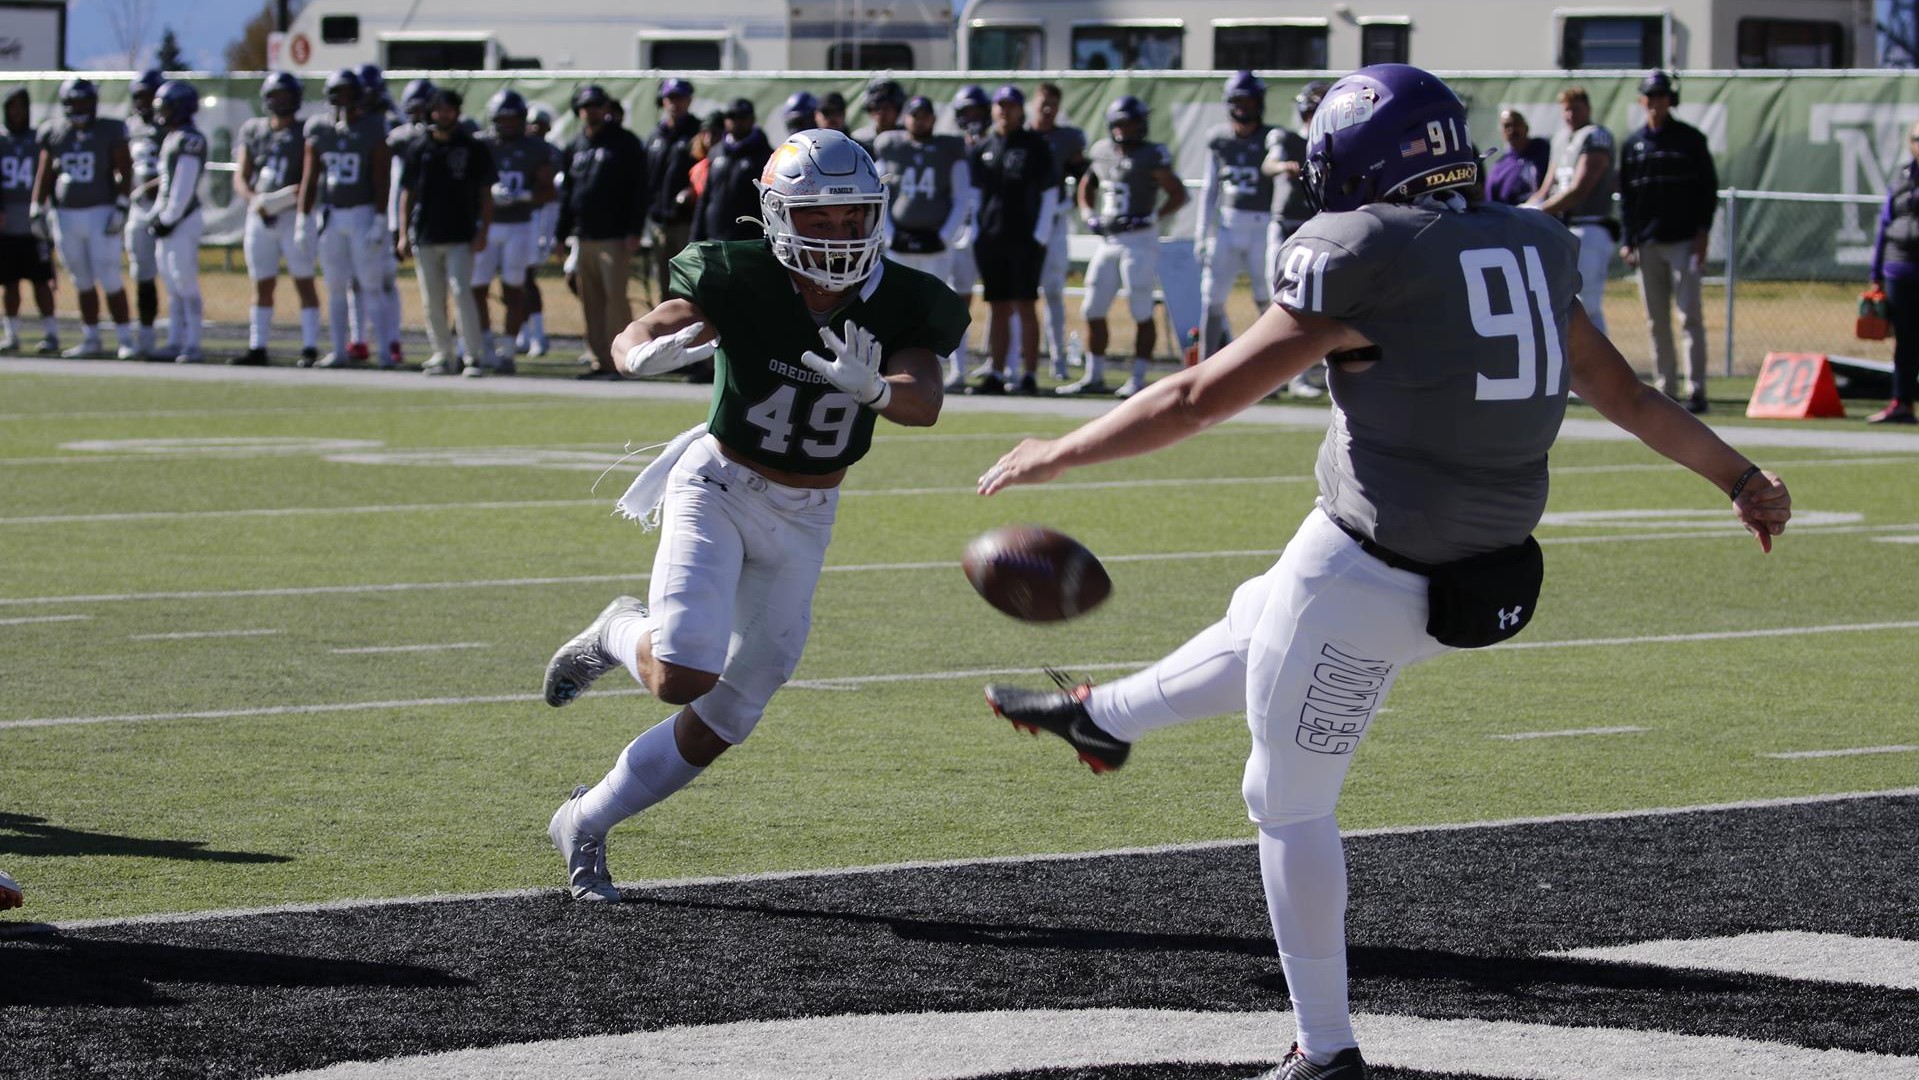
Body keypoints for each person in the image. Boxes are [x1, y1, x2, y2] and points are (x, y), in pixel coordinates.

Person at [975, 64, 1791, 1080]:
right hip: (1476, 565)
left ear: (1362, 157)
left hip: (1368, 571)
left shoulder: (1362, 253)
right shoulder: (1532, 241)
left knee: (1284, 800)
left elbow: (1194, 398)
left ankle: (1323, 1046)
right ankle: (1106, 721)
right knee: (1256, 618)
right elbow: (1619, 393)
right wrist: (1737, 475)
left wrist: (1061, 449)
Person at [538, 128, 967, 903]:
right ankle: (615, 631)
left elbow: (924, 401)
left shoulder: (908, 297)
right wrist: (634, 351)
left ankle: (585, 821)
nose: (837, 234)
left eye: (851, 216)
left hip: (808, 514)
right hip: (720, 487)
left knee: (731, 713)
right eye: (817, 218)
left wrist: (875, 392)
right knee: (681, 676)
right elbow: (650, 323)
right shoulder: (737, 272)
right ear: (775, 218)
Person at [1063, 95, 1187, 398]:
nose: (1125, 129)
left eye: (1131, 123)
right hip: (1109, 239)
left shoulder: (1152, 154)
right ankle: (1094, 375)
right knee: (1092, 307)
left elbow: (1178, 194)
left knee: (1140, 306)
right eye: (1120, 123)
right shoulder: (1102, 151)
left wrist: (1152, 217)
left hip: (1139, 241)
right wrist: (1088, 214)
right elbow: (1086, 185)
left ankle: (1138, 377)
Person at [1619, 71, 1718, 414]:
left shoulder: (1690, 140)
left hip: (1683, 242)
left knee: (1689, 315)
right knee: (1655, 320)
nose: (1656, 101)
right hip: (1647, 243)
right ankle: (1666, 387)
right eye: (1650, 95)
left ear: (1670, 99)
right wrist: (1627, 240)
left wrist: (1702, 235)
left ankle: (1697, 388)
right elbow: (1628, 199)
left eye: (1661, 94)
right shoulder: (1632, 145)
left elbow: (1708, 192)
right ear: (1642, 99)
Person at [31, 77, 134, 359]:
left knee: (110, 274)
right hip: (65, 215)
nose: (79, 107)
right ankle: (91, 338)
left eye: (84, 101)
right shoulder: (54, 133)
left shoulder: (109, 130)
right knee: (81, 279)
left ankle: (125, 338)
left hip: (100, 212)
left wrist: (122, 205)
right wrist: (36, 207)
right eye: (73, 102)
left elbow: (125, 169)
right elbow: (45, 172)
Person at [875, 94, 971, 389]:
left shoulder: (948, 149)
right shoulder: (891, 146)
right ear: (906, 118)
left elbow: (962, 196)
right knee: (896, 305)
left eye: (925, 115)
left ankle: (956, 367)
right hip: (901, 239)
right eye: (914, 115)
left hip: (935, 240)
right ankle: (892, 364)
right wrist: (889, 234)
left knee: (940, 304)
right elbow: (878, 194)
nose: (920, 120)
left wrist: (943, 235)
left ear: (932, 118)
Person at [298, 68, 392, 369]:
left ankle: (385, 352)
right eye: (338, 93)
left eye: (349, 93)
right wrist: (303, 218)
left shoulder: (374, 127)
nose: (343, 99)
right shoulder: (319, 128)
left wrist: (380, 218)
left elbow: (381, 178)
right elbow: (310, 177)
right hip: (332, 216)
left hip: (363, 212)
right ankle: (339, 350)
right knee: (335, 285)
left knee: (371, 285)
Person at [967, 85, 1057, 396]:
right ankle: (996, 370)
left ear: (1020, 109)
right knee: (998, 306)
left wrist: (1040, 235)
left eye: (1010, 105)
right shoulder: (984, 147)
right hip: (992, 237)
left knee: (1025, 304)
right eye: (1000, 105)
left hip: (1024, 238)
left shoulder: (1035, 145)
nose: (1004, 110)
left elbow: (1049, 192)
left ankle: (1029, 373)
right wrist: (976, 231)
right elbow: (976, 194)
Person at [398, 88, 494, 377]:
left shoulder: (472, 147)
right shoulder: (419, 148)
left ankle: (473, 355)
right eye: (438, 109)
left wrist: (483, 231)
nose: (443, 114)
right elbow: (407, 194)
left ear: (457, 111)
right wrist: (403, 233)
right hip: (426, 233)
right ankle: (442, 353)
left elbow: (485, 194)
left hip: (461, 234)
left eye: (449, 108)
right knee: (431, 298)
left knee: (462, 292)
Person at [556, 82, 649, 379]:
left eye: (597, 105)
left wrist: (634, 229)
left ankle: (624, 362)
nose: (591, 111)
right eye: (586, 107)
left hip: (615, 236)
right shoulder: (575, 147)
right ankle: (598, 359)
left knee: (615, 300)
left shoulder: (624, 142)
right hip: (584, 236)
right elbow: (568, 195)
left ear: (606, 109)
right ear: (578, 111)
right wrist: (560, 235)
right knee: (591, 301)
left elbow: (638, 190)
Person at [232, 71, 322, 366]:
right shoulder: (253, 130)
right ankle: (258, 346)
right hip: (260, 216)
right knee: (261, 283)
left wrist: (282, 199)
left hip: (291, 215)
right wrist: (255, 200)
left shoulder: (305, 131)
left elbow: (309, 179)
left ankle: (309, 347)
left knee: (303, 280)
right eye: (275, 96)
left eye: (285, 96)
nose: (280, 102)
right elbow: (241, 177)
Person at [471, 88, 553, 375]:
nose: (507, 124)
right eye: (502, 118)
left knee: (514, 287)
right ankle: (483, 344)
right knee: (476, 287)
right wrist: (486, 192)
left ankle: (507, 349)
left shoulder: (535, 148)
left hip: (519, 224)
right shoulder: (480, 145)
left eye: (512, 118)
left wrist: (524, 196)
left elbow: (548, 191)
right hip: (487, 225)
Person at [1196, 71, 1276, 359]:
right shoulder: (1218, 138)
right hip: (1228, 225)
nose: (1243, 107)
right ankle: (1203, 366)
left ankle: (1273, 368)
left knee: (1267, 297)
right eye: (1237, 100)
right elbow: (1209, 188)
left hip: (1262, 226)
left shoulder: (1272, 137)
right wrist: (1202, 233)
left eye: (1248, 100)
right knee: (1212, 297)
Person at [1526, 85, 1617, 338]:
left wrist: (1539, 210)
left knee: (1586, 303)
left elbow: (1580, 189)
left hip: (1589, 226)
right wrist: (1525, 208)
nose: (1570, 115)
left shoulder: (1596, 136)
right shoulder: (1560, 138)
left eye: (1575, 108)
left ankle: (1601, 372)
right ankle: (1575, 370)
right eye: (1566, 109)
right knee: (1562, 303)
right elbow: (1546, 187)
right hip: (1560, 227)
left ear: (1587, 108)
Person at [1263, 79, 1329, 398]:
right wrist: (1283, 166)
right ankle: (1275, 377)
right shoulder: (1286, 138)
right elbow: (1268, 164)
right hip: (1285, 225)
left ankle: (1299, 377)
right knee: (1281, 300)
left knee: (1312, 303)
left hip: (1316, 227)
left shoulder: (1333, 144)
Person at [145, 81, 208, 364]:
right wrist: (157, 215)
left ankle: (193, 342)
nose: (162, 112)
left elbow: (183, 186)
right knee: (172, 284)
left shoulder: (189, 139)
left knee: (185, 283)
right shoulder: (172, 137)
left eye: (167, 106)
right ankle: (174, 340)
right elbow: (167, 186)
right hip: (170, 218)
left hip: (184, 219)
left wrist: (168, 217)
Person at [1032, 82, 1087, 382]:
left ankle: (1057, 358)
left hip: (1054, 221)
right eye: (1044, 103)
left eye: (1053, 103)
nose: (1048, 109)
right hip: (1023, 223)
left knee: (1053, 292)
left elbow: (1083, 174)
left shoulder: (1067, 139)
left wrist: (1073, 202)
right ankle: (1008, 360)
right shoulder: (1023, 137)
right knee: (1016, 297)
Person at [1867, 118, 1919, 425]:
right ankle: (1902, 402)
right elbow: (1885, 225)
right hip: (1898, 268)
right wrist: (1876, 273)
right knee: (1904, 340)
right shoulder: (1901, 177)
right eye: (1916, 138)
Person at [0, 87, 59, 356]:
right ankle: (11, 334)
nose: (16, 112)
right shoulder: (1, 140)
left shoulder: (39, 139)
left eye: (20, 106)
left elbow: (50, 176)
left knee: (41, 280)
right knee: (8, 282)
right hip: (6, 223)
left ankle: (50, 333)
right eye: (11, 106)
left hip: (35, 221)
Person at [644, 78, 700, 311]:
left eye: (679, 98)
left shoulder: (696, 132)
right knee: (663, 284)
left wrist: (691, 193)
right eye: (670, 98)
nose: (674, 103)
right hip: (659, 221)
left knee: (687, 283)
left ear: (688, 100)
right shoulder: (656, 135)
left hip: (686, 221)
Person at [123, 68, 166, 360]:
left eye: (148, 95)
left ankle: (184, 337)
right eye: (139, 96)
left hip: (167, 207)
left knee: (176, 275)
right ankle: (146, 336)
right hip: (138, 209)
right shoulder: (128, 127)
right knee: (142, 274)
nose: (144, 101)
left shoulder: (173, 126)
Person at [519, 102, 565, 358]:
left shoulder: (551, 153)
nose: (535, 127)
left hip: (542, 218)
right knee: (516, 279)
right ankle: (523, 332)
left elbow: (552, 192)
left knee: (526, 277)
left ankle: (536, 334)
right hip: (520, 217)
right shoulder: (521, 149)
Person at [692, 98, 771, 244]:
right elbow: (705, 197)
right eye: (731, 116)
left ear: (752, 119)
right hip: (714, 239)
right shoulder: (716, 151)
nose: (736, 121)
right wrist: (696, 236)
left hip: (748, 241)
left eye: (742, 116)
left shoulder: (765, 155)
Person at [1485, 108, 1550, 206]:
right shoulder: (1498, 169)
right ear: (1501, 132)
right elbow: (1492, 206)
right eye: (1507, 126)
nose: (1512, 130)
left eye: (1516, 123)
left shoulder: (1545, 148)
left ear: (1526, 127)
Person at [851, 78, 904, 157]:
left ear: (897, 110)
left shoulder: (908, 139)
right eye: (876, 107)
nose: (881, 112)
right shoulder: (858, 139)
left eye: (886, 107)